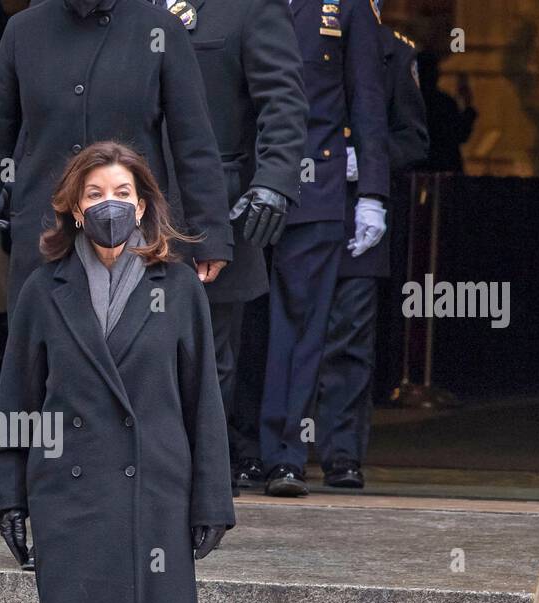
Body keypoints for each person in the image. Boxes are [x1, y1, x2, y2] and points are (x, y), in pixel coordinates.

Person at [0, 142, 233, 603]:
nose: (109, 203)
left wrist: (210, 499)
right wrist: (9, 491)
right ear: (71, 204)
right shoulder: (43, 288)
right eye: (95, 191)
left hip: (156, 490)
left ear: (145, 202)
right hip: (70, 496)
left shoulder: (179, 287)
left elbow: (202, 402)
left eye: (122, 190)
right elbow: (17, 396)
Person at [0, 0, 233, 313]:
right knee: (40, 354)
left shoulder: (161, 29)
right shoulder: (23, 30)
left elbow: (193, 142)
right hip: (45, 234)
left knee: (129, 354)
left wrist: (211, 235)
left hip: (133, 237)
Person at [172, 0, 308, 492]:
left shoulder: (249, 7)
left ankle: (196, 483)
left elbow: (283, 101)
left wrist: (273, 179)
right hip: (126, 206)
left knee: (207, 360)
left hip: (213, 209)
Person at [255, 0, 388, 497]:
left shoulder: (346, 6)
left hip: (318, 182)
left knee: (301, 324)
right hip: (240, 180)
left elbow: (367, 98)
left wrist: (372, 192)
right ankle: (235, 449)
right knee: (238, 324)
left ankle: (285, 456)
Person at [315, 21, 428, 489]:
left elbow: (415, 138)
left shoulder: (394, 52)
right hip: (296, 204)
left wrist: (370, 157)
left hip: (356, 211)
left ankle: (342, 454)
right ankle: (261, 450)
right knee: (274, 333)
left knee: (348, 340)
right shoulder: (285, 27)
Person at [417, 49, 475, 174]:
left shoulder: (405, 104)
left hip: (416, 172)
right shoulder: (444, 103)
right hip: (445, 172)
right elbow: (461, 134)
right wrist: (468, 104)